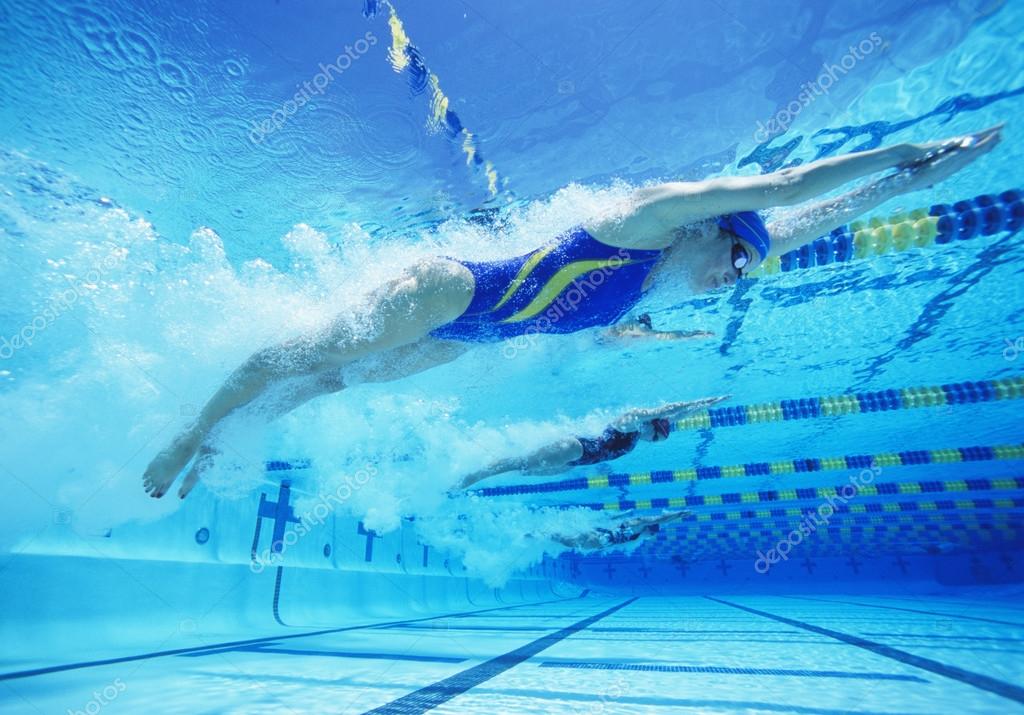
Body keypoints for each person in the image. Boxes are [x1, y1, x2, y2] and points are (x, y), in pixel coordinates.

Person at [144, 126, 1002, 499]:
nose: (733, 278)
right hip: (448, 291)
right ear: (711, 229)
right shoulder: (649, 217)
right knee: (295, 357)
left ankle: (227, 432)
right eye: (736, 259)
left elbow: (804, 222)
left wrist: (916, 186)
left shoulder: (677, 276)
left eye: (745, 272)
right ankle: (192, 427)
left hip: (457, 338)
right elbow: (782, 191)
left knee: (322, 384)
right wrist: (895, 152)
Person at [456, 396, 728, 490]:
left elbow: (672, 416)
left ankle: (472, 472)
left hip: (572, 461)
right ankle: (472, 476)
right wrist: (700, 404)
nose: (654, 441)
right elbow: (668, 410)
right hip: (573, 449)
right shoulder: (629, 422)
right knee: (519, 464)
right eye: (658, 436)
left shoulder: (634, 436)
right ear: (653, 425)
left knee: (523, 469)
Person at [551, 509, 689, 551]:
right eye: (652, 533)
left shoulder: (635, 532)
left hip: (598, 536)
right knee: (567, 541)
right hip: (597, 540)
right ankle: (542, 535)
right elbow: (660, 519)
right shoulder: (638, 524)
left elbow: (612, 521)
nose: (651, 536)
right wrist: (679, 514)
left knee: (565, 539)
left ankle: (542, 534)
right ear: (649, 528)